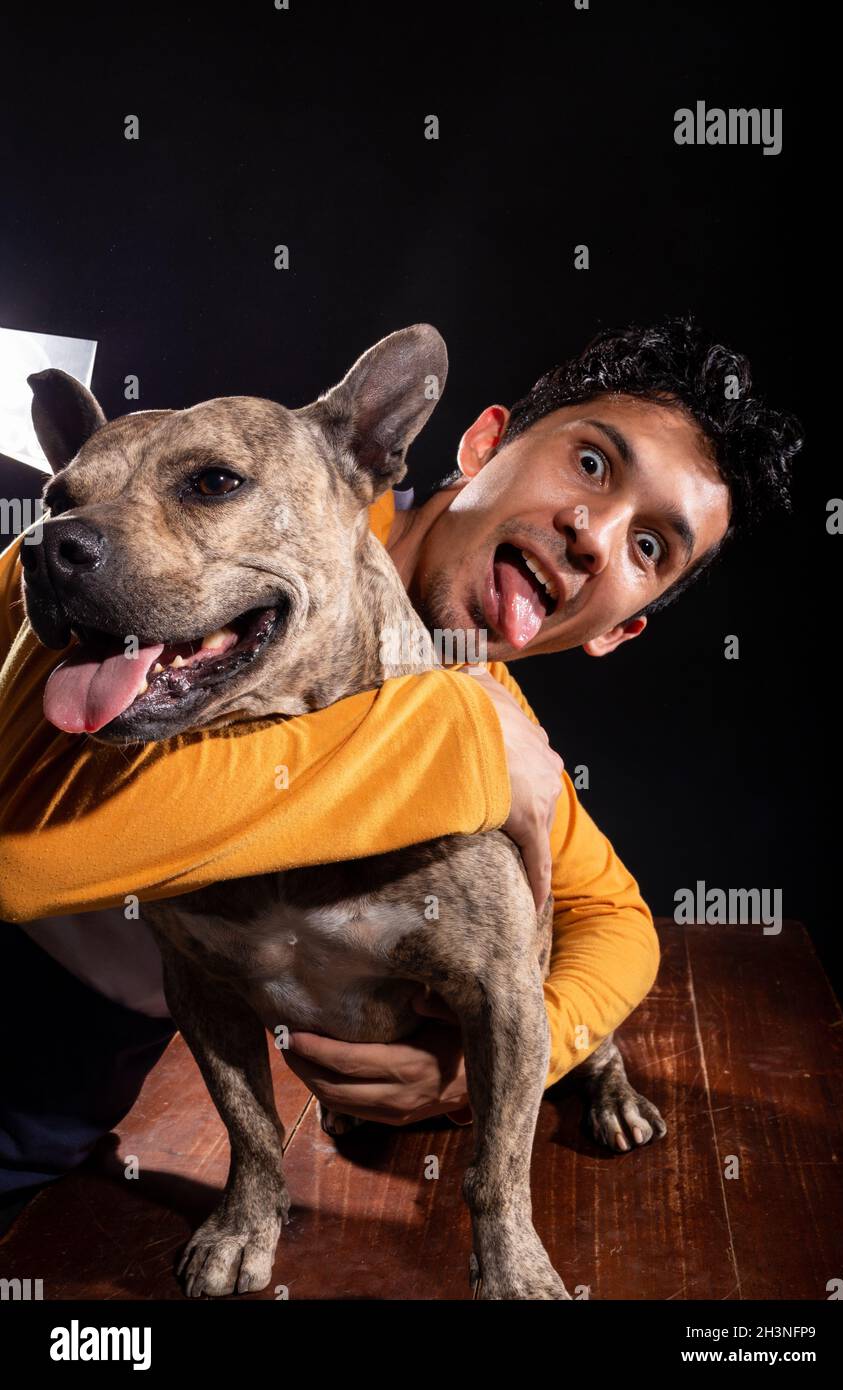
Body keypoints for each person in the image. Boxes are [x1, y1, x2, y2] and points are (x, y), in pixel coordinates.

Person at [0, 315, 802, 1205]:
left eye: (649, 546)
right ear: (482, 442)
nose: (595, 536)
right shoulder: (138, 544)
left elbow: (617, 919)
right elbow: (23, 846)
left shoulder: (498, 717)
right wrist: (454, 745)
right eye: (591, 464)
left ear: (618, 630)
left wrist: (512, 1058)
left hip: (87, 1087)